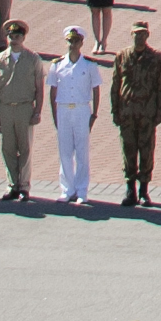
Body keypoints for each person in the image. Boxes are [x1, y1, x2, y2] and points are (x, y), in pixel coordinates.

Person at [111, 20, 161, 206]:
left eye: (143, 34)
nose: (139, 37)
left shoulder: (156, 58)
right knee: (128, 151)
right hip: (127, 113)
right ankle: (130, 190)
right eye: (136, 33)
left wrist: (159, 112)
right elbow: (115, 85)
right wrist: (115, 110)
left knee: (146, 151)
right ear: (131, 34)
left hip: (147, 113)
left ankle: (144, 190)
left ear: (147, 36)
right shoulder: (122, 56)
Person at [0, 19, 46, 203]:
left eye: (17, 36)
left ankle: (24, 186)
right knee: (8, 148)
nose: (14, 40)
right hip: (6, 109)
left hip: (24, 108)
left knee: (25, 149)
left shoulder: (32, 58)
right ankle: (12, 185)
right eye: (11, 36)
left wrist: (37, 110)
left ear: (24, 37)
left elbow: (39, 87)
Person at [47, 28, 102, 206]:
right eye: (70, 41)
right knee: (64, 151)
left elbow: (96, 88)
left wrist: (94, 113)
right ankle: (66, 189)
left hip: (81, 109)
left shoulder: (89, 65)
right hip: (63, 109)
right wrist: (55, 114)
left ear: (82, 43)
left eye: (76, 41)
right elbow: (53, 90)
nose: (73, 45)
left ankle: (81, 190)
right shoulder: (57, 65)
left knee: (82, 151)